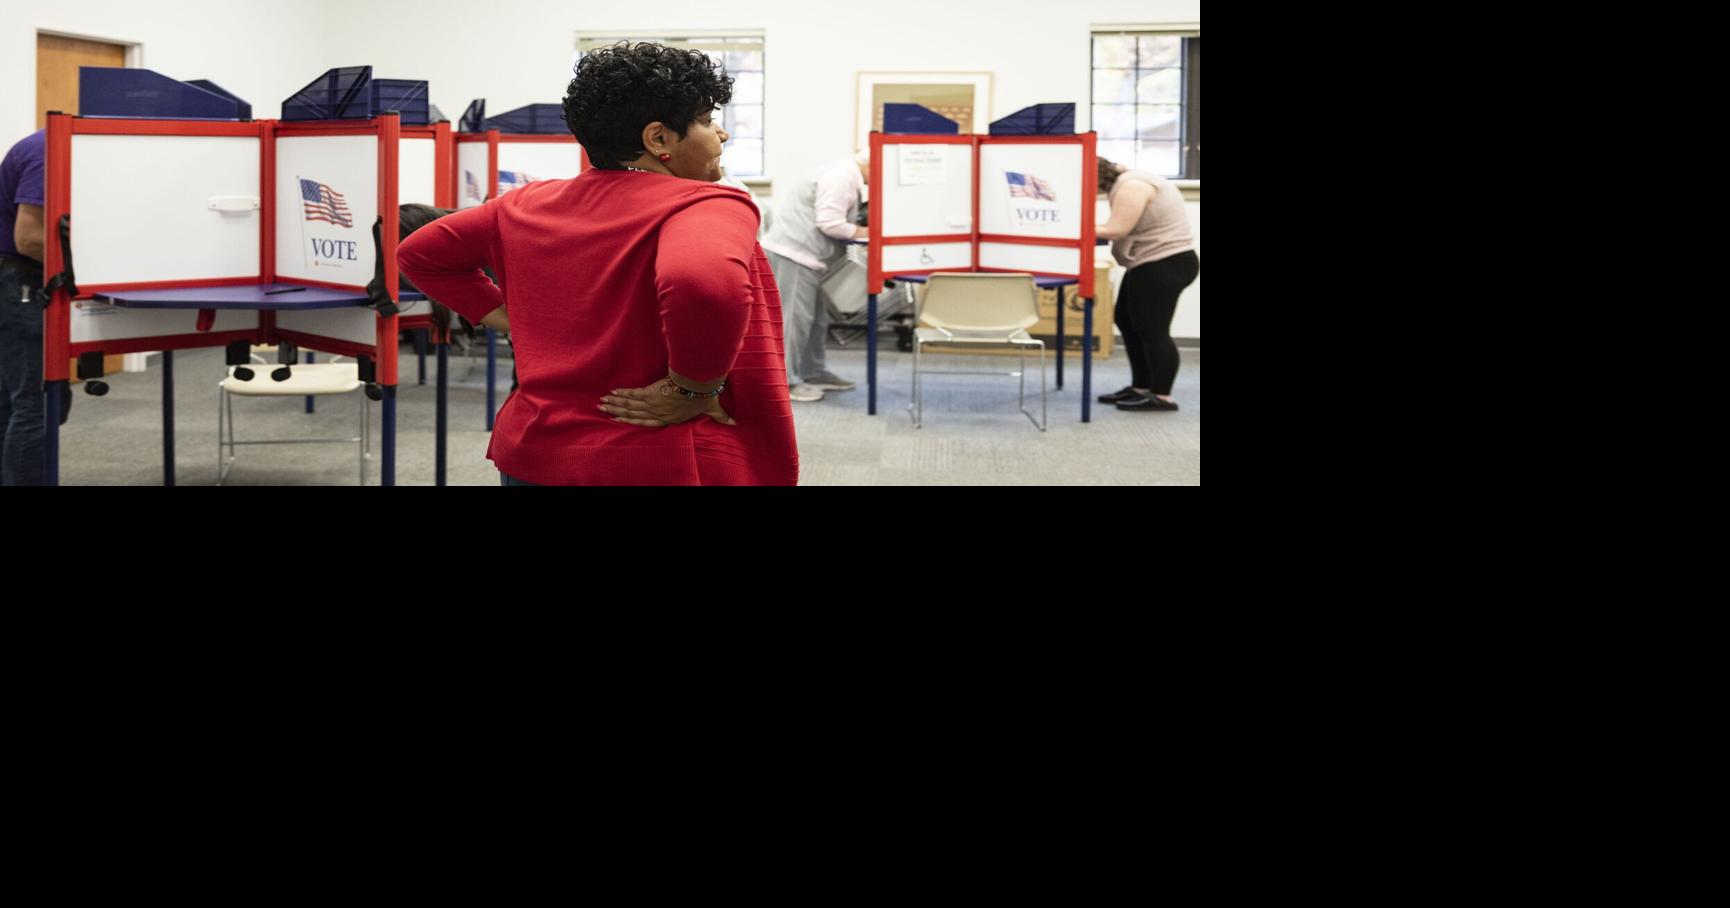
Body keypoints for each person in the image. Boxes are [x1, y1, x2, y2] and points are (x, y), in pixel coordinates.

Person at [398, 41, 797, 485]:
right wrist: (693, 388)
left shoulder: (525, 205)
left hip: (535, 452)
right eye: (705, 120)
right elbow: (703, 284)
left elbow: (419, 253)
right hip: (650, 459)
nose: (720, 134)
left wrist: (510, 320)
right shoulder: (705, 205)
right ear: (659, 138)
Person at [760, 150, 869, 401]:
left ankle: (813, 371)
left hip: (805, 257)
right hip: (795, 255)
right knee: (794, 321)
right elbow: (830, 223)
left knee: (817, 320)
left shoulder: (845, 174)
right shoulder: (842, 177)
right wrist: (868, 231)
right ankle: (785, 383)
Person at [1092, 157, 1198, 412]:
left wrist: (1069, 227)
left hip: (1165, 263)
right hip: (1149, 262)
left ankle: (1162, 396)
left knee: (1153, 330)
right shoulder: (1126, 182)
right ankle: (1140, 388)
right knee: (1127, 321)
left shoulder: (1132, 185)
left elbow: (1116, 229)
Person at [0, 127, 69, 486]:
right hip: (21, 284)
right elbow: (29, 239)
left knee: (14, 402)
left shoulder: (48, 146)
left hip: (16, 283)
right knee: (38, 403)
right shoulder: (48, 153)